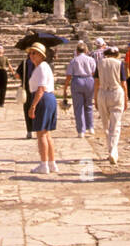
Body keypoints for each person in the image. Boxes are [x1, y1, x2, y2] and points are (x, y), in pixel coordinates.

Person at [26, 43, 59, 173]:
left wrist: (32, 106)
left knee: (41, 134)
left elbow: (40, 88)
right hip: (48, 98)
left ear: (41, 55)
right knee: (46, 133)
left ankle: (44, 164)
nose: (31, 56)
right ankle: (52, 163)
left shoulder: (42, 68)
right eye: (30, 53)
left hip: (42, 99)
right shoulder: (41, 67)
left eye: (34, 53)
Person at [95, 45, 127, 165]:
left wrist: (95, 98)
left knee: (105, 124)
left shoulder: (100, 63)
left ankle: (111, 149)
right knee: (116, 124)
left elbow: (96, 82)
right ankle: (113, 150)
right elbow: (124, 83)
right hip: (116, 92)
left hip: (102, 93)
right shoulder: (119, 64)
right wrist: (126, 98)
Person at [63, 42, 97, 137]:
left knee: (78, 107)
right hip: (89, 80)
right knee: (89, 104)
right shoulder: (91, 59)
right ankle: (90, 127)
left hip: (77, 81)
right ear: (86, 50)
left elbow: (69, 75)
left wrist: (65, 87)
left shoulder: (74, 60)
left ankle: (81, 130)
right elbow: (94, 73)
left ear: (77, 51)